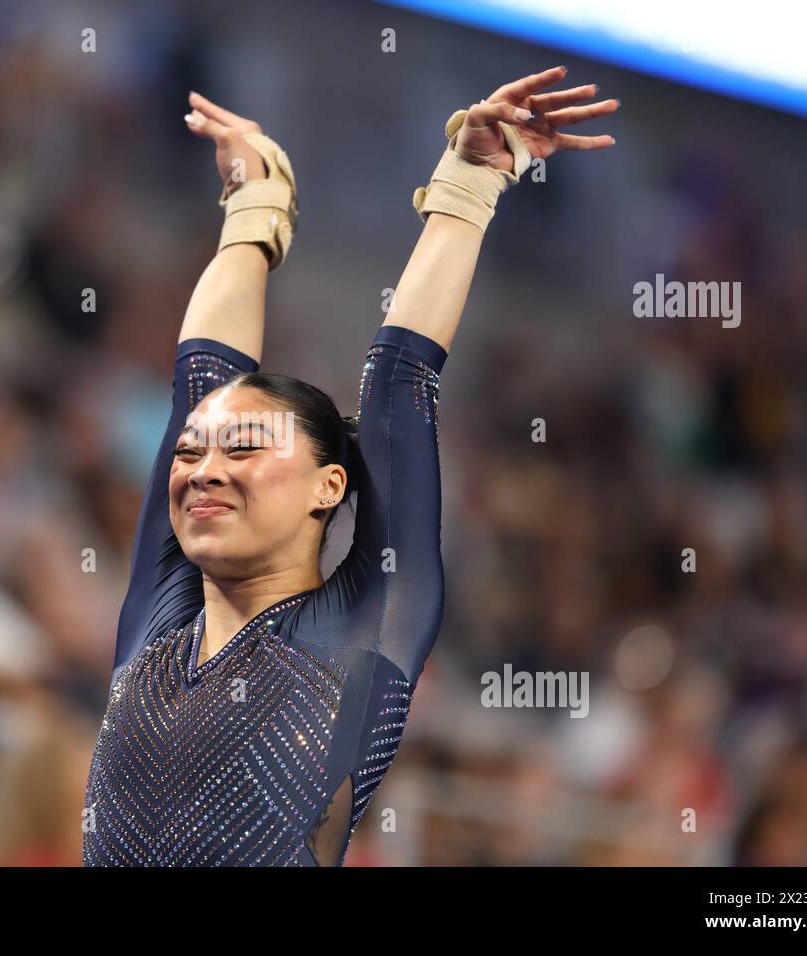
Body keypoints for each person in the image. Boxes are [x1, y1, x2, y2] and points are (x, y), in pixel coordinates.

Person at [83, 67, 618, 866]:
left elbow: (403, 376)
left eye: (245, 448)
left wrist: (472, 182)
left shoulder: (365, 633)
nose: (202, 468)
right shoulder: (161, 621)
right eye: (192, 451)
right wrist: (251, 211)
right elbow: (199, 383)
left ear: (330, 486)